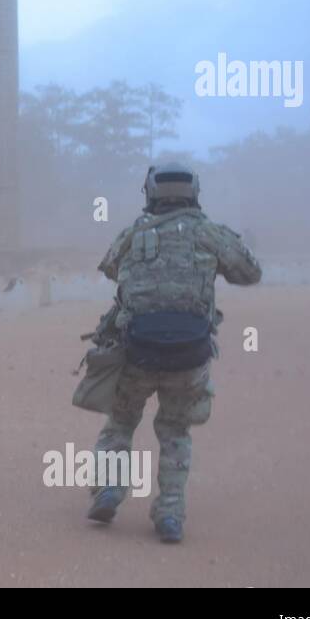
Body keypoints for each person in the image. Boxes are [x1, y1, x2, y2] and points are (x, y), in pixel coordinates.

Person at [84, 163, 260, 543]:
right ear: (195, 191)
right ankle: (170, 514)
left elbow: (111, 268)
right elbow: (251, 273)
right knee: (175, 431)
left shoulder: (134, 232)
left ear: (149, 193)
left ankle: (110, 490)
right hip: (189, 356)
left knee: (120, 423)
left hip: (137, 352)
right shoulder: (210, 233)